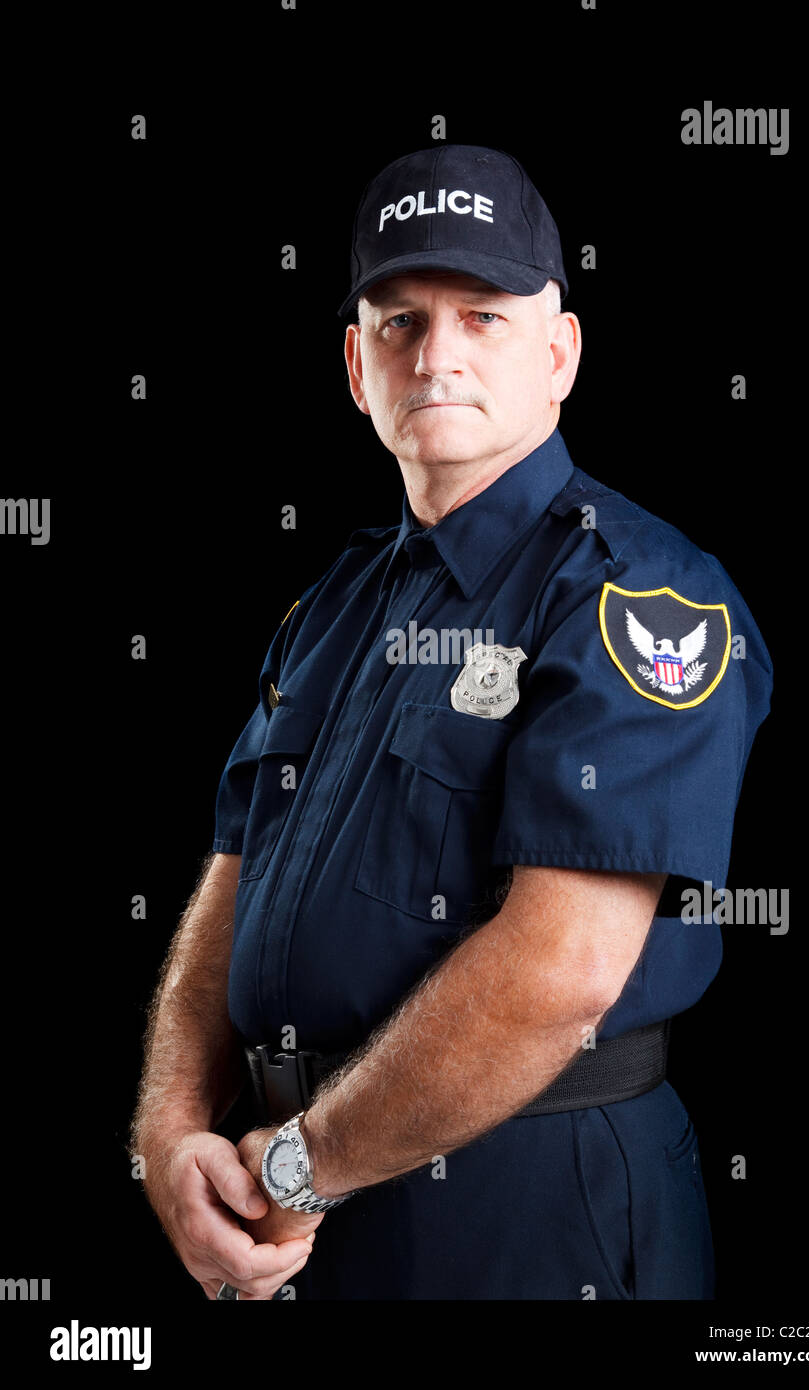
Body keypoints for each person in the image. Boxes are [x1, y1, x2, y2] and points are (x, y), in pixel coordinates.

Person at [131, 144, 773, 1301]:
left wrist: (300, 1163)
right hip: (298, 1214)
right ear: (353, 365)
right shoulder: (333, 602)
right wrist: (169, 1135)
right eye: (398, 321)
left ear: (559, 351)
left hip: (528, 1212)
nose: (436, 357)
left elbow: (562, 971)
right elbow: (229, 886)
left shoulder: (634, 598)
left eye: (483, 315)